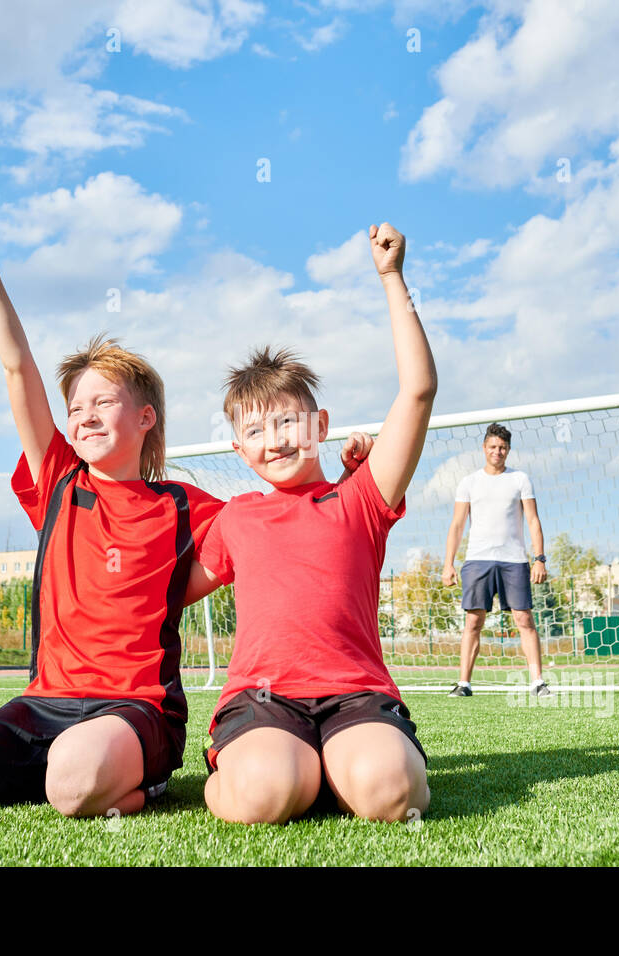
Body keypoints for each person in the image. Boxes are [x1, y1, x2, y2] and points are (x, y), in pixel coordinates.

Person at [0, 192, 369, 818]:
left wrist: (346, 479)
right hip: (43, 701)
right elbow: (15, 366)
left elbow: (289, 524)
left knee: (74, 780)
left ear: (144, 416)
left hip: (136, 708)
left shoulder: (190, 507)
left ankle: (118, 781)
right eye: (75, 407)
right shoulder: (58, 483)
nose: (84, 417)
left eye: (102, 402)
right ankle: (59, 775)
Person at [185, 222, 433, 825]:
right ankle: (271, 770)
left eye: (287, 422)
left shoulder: (363, 498)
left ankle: (335, 767)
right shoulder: (236, 517)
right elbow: (164, 596)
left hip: (357, 695)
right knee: (262, 797)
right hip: (263, 701)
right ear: (239, 451)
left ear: (320, 424)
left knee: (391, 794)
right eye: (254, 431)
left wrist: (391, 278)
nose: (273, 440)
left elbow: (419, 391)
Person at [441, 423, 550, 698]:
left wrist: (539, 559)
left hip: (514, 561)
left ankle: (537, 682)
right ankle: (464, 683)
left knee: (524, 619)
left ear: (508, 450)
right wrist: (448, 563)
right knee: (473, 623)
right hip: (478, 560)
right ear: (484, 448)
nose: (497, 452)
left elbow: (533, 520)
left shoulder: (520, 479)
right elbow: (456, 525)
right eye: (492, 447)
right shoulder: (469, 482)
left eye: (502, 448)